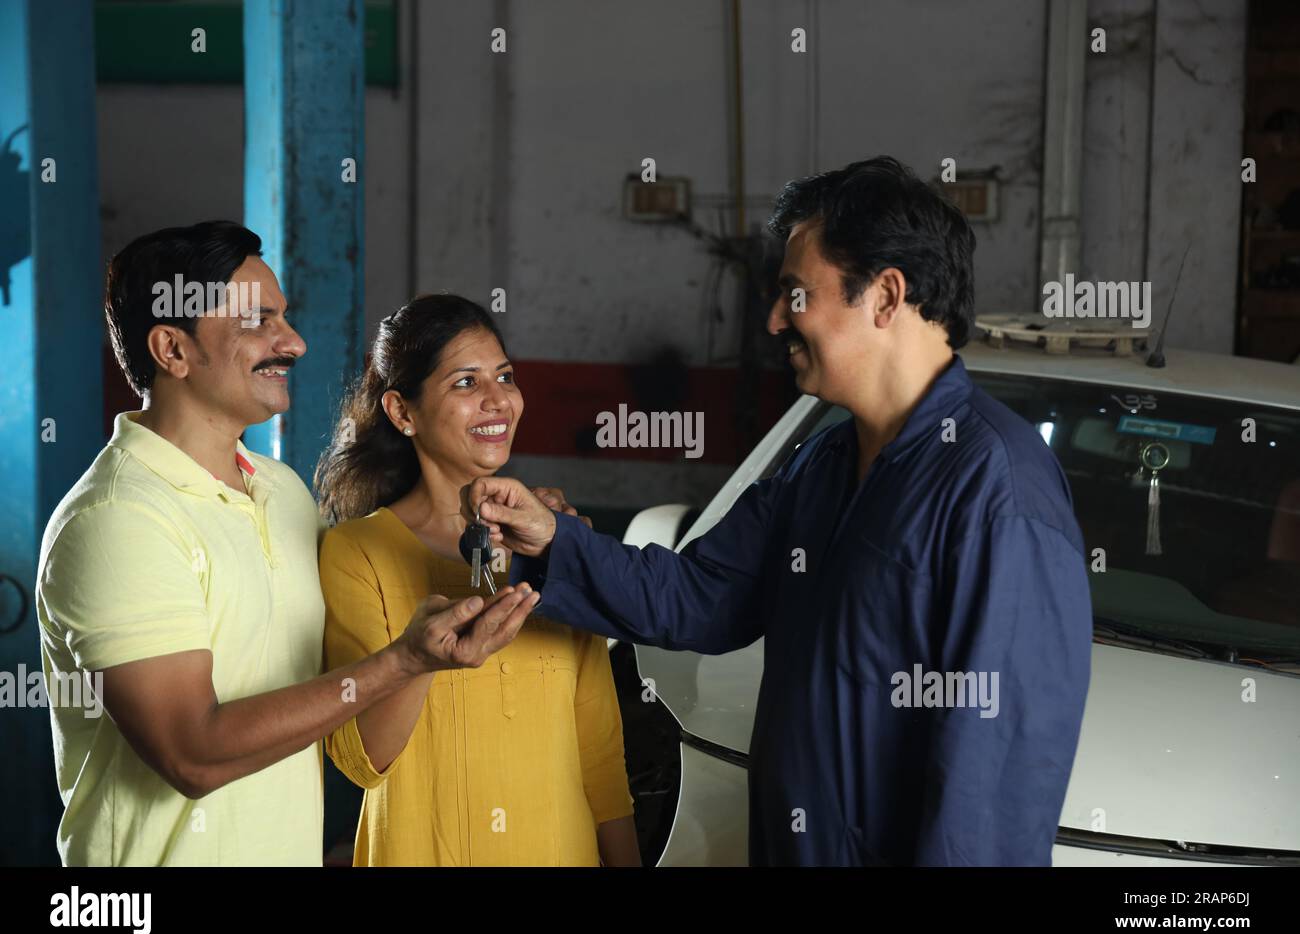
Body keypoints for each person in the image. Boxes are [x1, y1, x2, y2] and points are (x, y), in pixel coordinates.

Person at [461, 158, 1095, 866]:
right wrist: (550, 540)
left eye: (796, 295)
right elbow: (701, 595)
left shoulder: (996, 493)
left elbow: (992, 797)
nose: (773, 320)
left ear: (886, 297)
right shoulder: (823, 467)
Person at [35, 222, 537, 866]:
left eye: (285, 317)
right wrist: (403, 663)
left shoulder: (280, 491)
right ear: (172, 349)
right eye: (257, 321)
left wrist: (504, 525)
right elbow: (192, 753)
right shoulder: (117, 519)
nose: (292, 342)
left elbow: (373, 582)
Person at [314, 294, 639, 866]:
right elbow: (363, 759)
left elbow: (601, 753)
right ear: (402, 412)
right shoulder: (358, 553)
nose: (499, 401)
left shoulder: (554, 539)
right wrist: (420, 660)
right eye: (465, 383)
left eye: (505, 377)